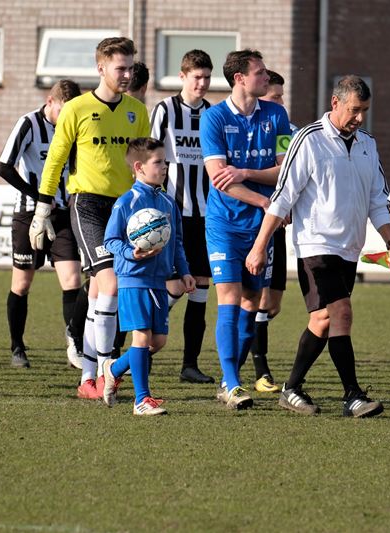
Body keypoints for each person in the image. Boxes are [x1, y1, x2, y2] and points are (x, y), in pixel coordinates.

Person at [247, 75, 390, 418]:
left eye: (364, 111)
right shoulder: (308, 139)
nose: (359, 117)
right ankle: (352, 395)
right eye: (354, 110)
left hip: (348, 248)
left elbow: (378, 200)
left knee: (321, 321)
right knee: (341, 313)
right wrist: (259, 246)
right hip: (316, 246)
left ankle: (291, 388)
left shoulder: (368, 145)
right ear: (335, 103)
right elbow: (283, 196)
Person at [31, 37, 150, 399]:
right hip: (87, 204)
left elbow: (143, 165)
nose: (127, 74)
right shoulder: (77, 109)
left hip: (125, 209)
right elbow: (54, 160)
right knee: (110, 284)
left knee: (100, 291)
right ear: (101, 68)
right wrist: (42, 208)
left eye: (131, 67)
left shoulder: (137, 111)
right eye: (121, 68)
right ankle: (105, 367)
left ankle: (86, 378)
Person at [200, 49, 292, 410]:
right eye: (260, 72)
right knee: (229, 298)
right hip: (224, 223)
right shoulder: (214, 119)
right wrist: (264, 201)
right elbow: (218, 178)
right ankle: (234, 383)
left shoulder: (277, 115)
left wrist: (247, 173)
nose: (266, 77)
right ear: (239, 78)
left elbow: (282, 170)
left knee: (254, 304)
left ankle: (228, 379)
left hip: (261, 228)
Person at [101, 137, 195, 415]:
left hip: (159, 280)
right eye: (158, 162)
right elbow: (110, 240)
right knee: (141, 338)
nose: (164, 166)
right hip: (133, 278)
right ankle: (142, 400)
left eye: (165, 161)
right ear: (140, 167)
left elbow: (176, 242)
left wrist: (184, 271)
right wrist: (131, 253)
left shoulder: (167, 202)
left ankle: (113, 368)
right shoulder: (126, 202)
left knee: (158, 342)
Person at [0, 79, 83, 368]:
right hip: (29, 215)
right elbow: (4, 167)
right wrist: (39, 197)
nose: (67, 116)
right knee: (22, 283)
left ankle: (75, 344)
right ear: (50, 101)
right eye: (63, 110)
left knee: (72, 280)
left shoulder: (74, 126)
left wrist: (73, 194)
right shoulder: (28, 124)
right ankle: (17, 347)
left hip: (62, 216)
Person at [150, 49, 214, 385]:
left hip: (206, 216)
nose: (202, 83)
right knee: (173, 286)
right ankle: (141, 341)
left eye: (206, 77)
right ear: (182, 77)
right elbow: (149, 153)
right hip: (172, 213)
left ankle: (190, 364)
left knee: (201, 288)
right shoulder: (165, 110)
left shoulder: (213, 114)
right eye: (196, 77)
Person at [247, 69, 295, 394]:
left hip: (278, 221)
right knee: (259, 299)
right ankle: (260, 370)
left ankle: (242, 346)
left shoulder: (286, 130)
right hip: (253, 220)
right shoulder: (250, 128)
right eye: (275, 96)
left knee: (273, 303)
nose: (280, 102)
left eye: (281, 96)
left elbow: (289, 170)